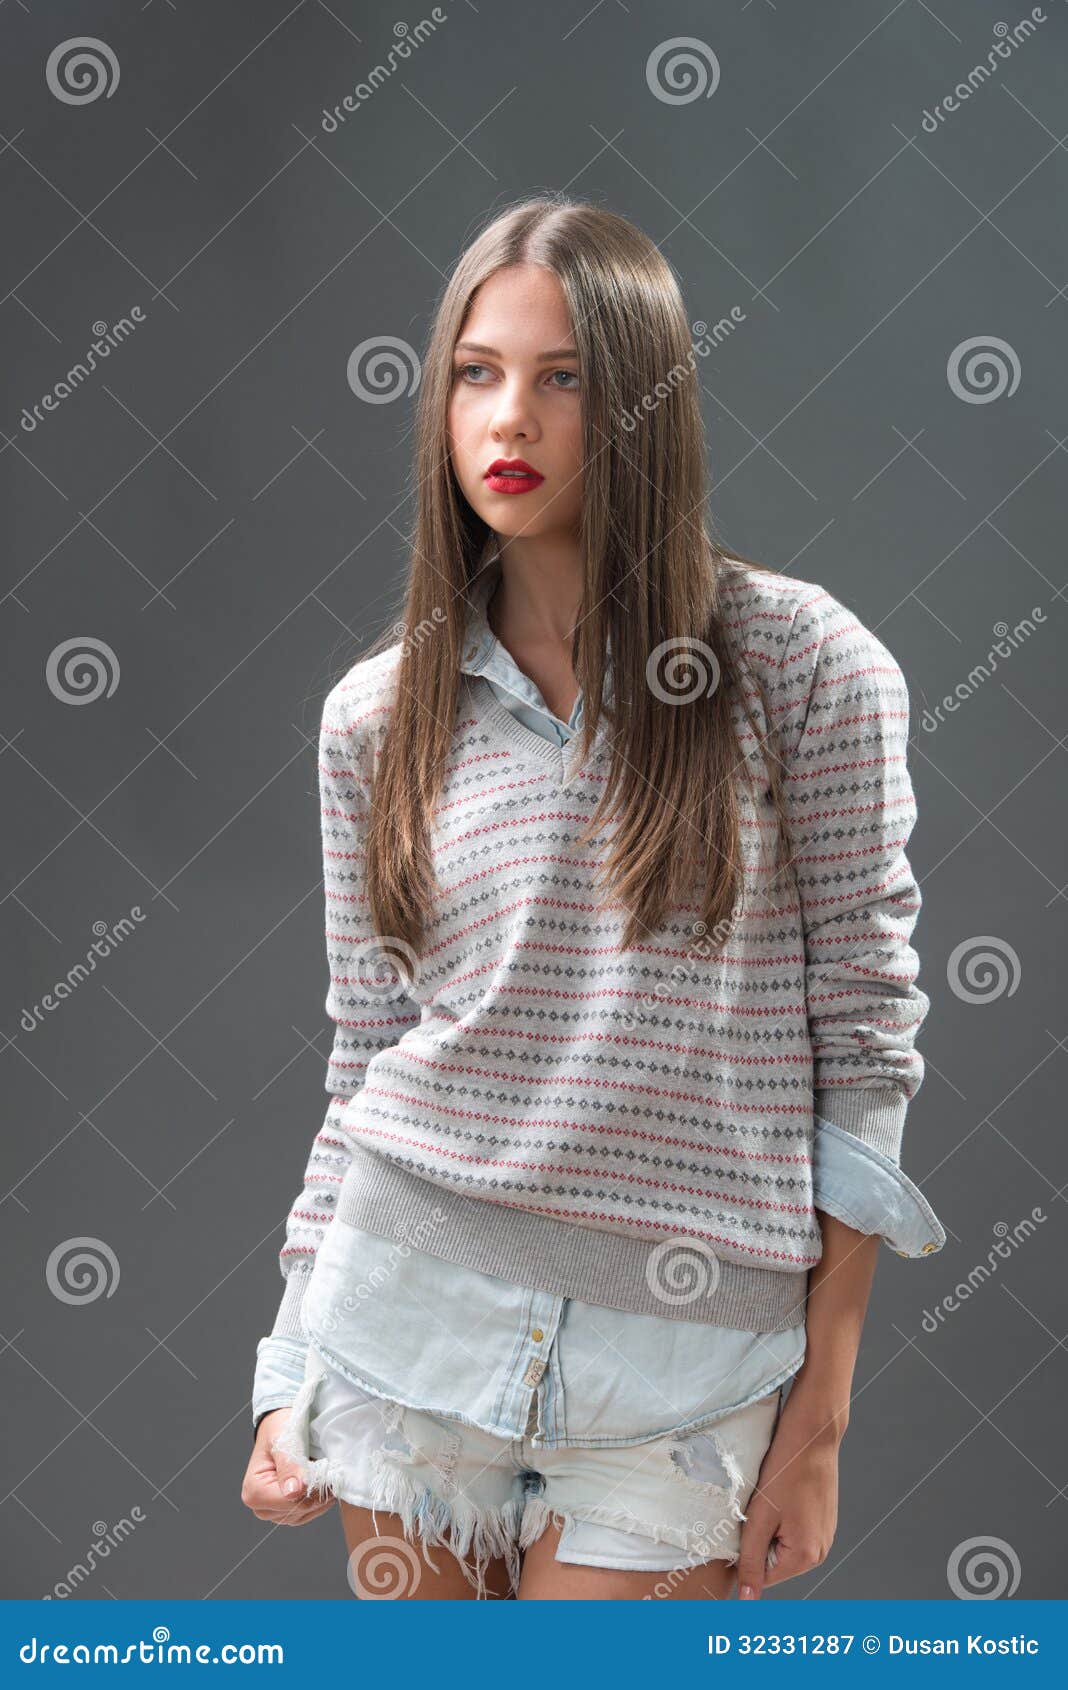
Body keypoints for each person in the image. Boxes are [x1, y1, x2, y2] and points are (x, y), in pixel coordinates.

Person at [240, 196, 946, 1602]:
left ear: (643, 400)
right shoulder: (375, 720)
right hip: (400, 1336)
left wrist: (821, 1418)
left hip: (682, 1372)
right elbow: (364, 1054)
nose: (513, 416)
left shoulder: (804, 666)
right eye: (476, 373)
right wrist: (289, 1362)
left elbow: (866, 1045)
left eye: (563, 377)